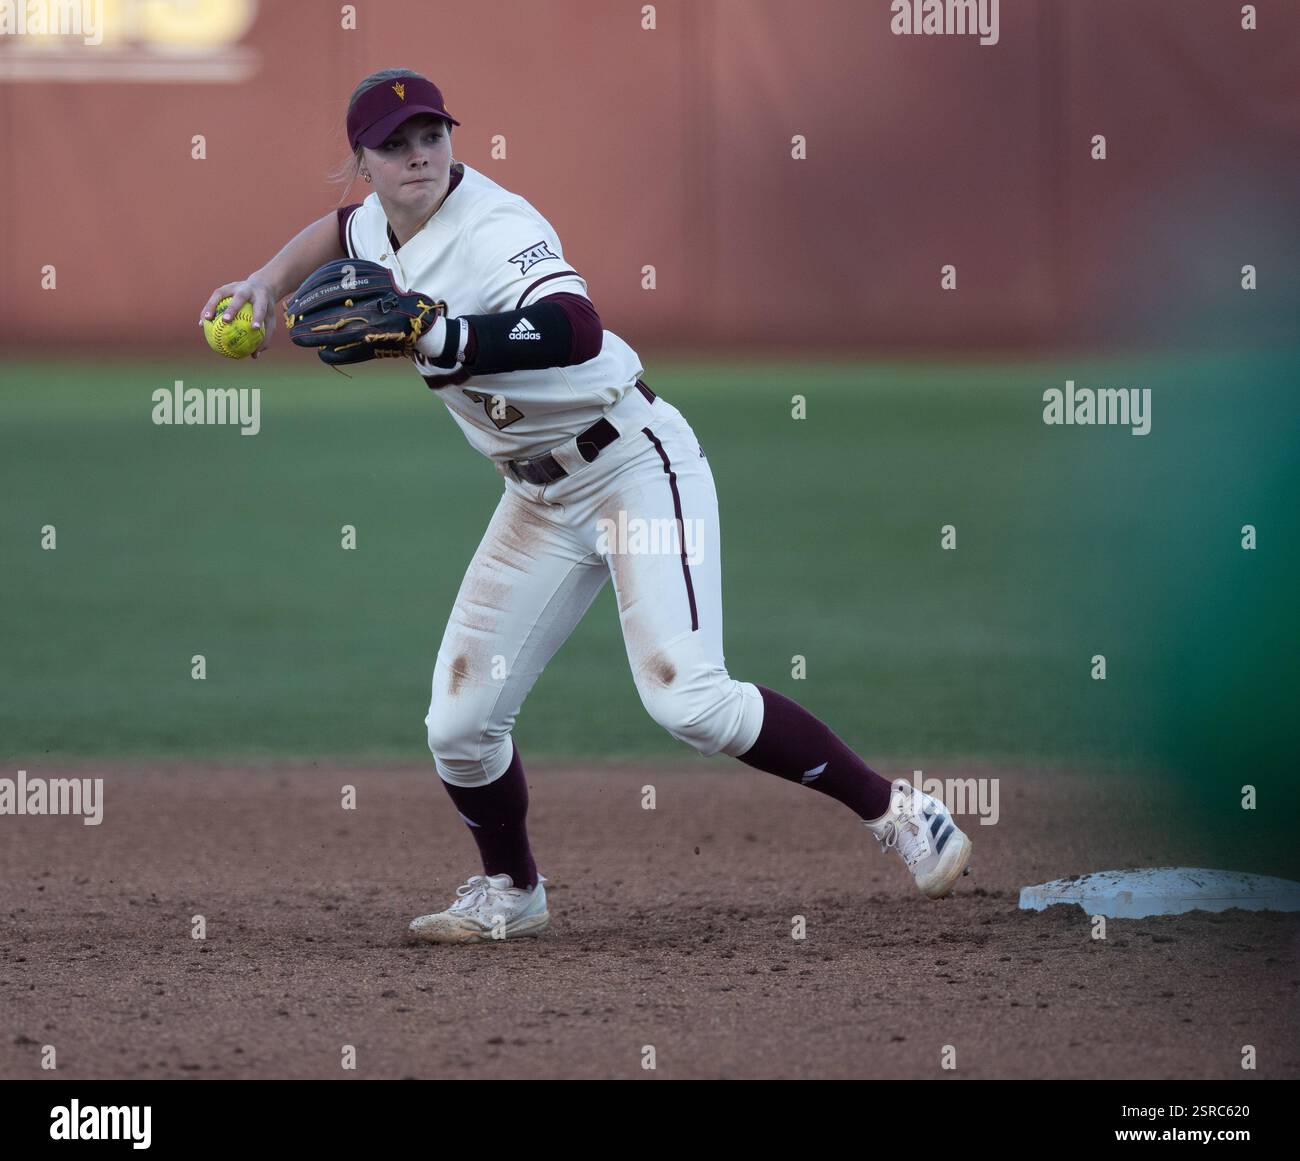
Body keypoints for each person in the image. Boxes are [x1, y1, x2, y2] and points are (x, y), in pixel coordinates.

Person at [199, 68, 972, 944]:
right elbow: (335, 230)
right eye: (395, 145)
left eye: (431, 136)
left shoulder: (497, 226)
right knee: (458, 725)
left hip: (632, 462)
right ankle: (512, 891)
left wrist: (442, 331)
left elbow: (577, 327)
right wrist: (266, 279)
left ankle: (899, 813)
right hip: (536, 496)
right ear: (363, 162)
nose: (419, 156)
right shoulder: (372, 219)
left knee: (689, 701)